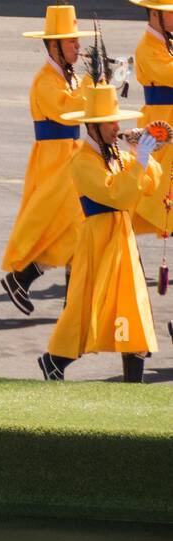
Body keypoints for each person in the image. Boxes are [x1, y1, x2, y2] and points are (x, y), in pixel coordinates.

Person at [40, 68, 161, 384]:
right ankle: (54, 360)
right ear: (92, 127)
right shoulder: (82, 162)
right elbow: (117, 195)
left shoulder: (116, 155)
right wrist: (139, 162)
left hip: (120, 236)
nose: (117, 127)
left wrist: (140, 156)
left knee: (131, 304)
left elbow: (148, 186)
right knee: (84, 307)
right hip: (98, 238)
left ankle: (132, 381)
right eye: (110, 122)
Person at [0, 0, 94, 314]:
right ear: (53, 46)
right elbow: (68, 113)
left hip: (70, 158)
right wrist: (92, 89)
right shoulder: (45, 81)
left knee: (74, 228)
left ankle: (34, 284)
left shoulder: (69, 78)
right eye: (70, 41)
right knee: (63, 227)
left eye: (76, 41)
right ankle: (27, 279)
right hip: (54, 161)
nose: (77, 47)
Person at [125, 0, 173, 237]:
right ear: (155, 14)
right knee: (147, 194)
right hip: (160, 125)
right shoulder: (147, 48)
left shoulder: (167, 42)